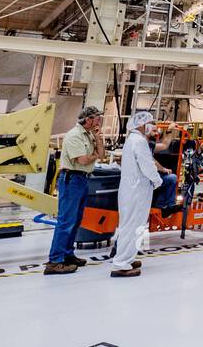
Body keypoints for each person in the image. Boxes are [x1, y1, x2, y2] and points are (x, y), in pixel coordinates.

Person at [46, 105, 107, 275]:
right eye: (96, 117)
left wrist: (97, 139)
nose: (99, 121)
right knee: (66, 221)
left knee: (75, 220)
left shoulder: (88, 135)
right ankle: (55, 261)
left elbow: (101, 155)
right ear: (88, 120)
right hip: (72, 180)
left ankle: (67, 255)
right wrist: (94, 155)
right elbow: (82, 160)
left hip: (82, 180)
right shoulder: (74, 136)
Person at [113, 111, 161, 278]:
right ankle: (121, 263)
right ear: (141, 125)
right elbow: (147, 165)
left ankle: (128, 257)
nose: (152, 126)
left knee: (133, 225)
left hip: (132, 190)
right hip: (136, 191)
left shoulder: (132, 140)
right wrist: (157, 180)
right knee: (132, 226)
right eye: (150, 122)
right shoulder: (139, 141)